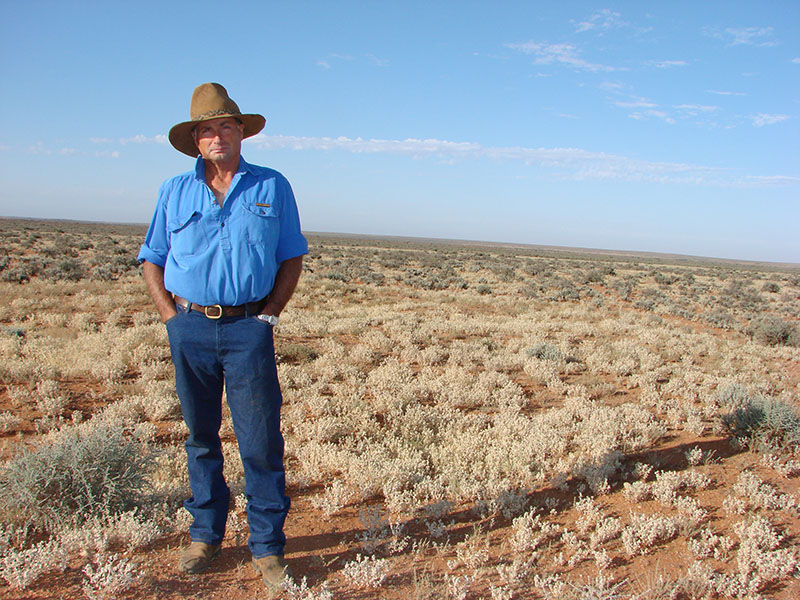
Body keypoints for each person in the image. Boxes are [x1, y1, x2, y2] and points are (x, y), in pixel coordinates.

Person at [137, 82, 307, 592]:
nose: (217, 136)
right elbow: (152, 257)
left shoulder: (272, 185)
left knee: (260, 440)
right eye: (207, 129)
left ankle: (268, 547)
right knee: (200, 437)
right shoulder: (174, 190)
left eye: (226, 126)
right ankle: (205, 535)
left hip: (248, 328)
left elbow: (291, 255)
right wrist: (170, 317)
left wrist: (268, 316)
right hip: (188, 327)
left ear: (241, 133)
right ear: (196, 139)